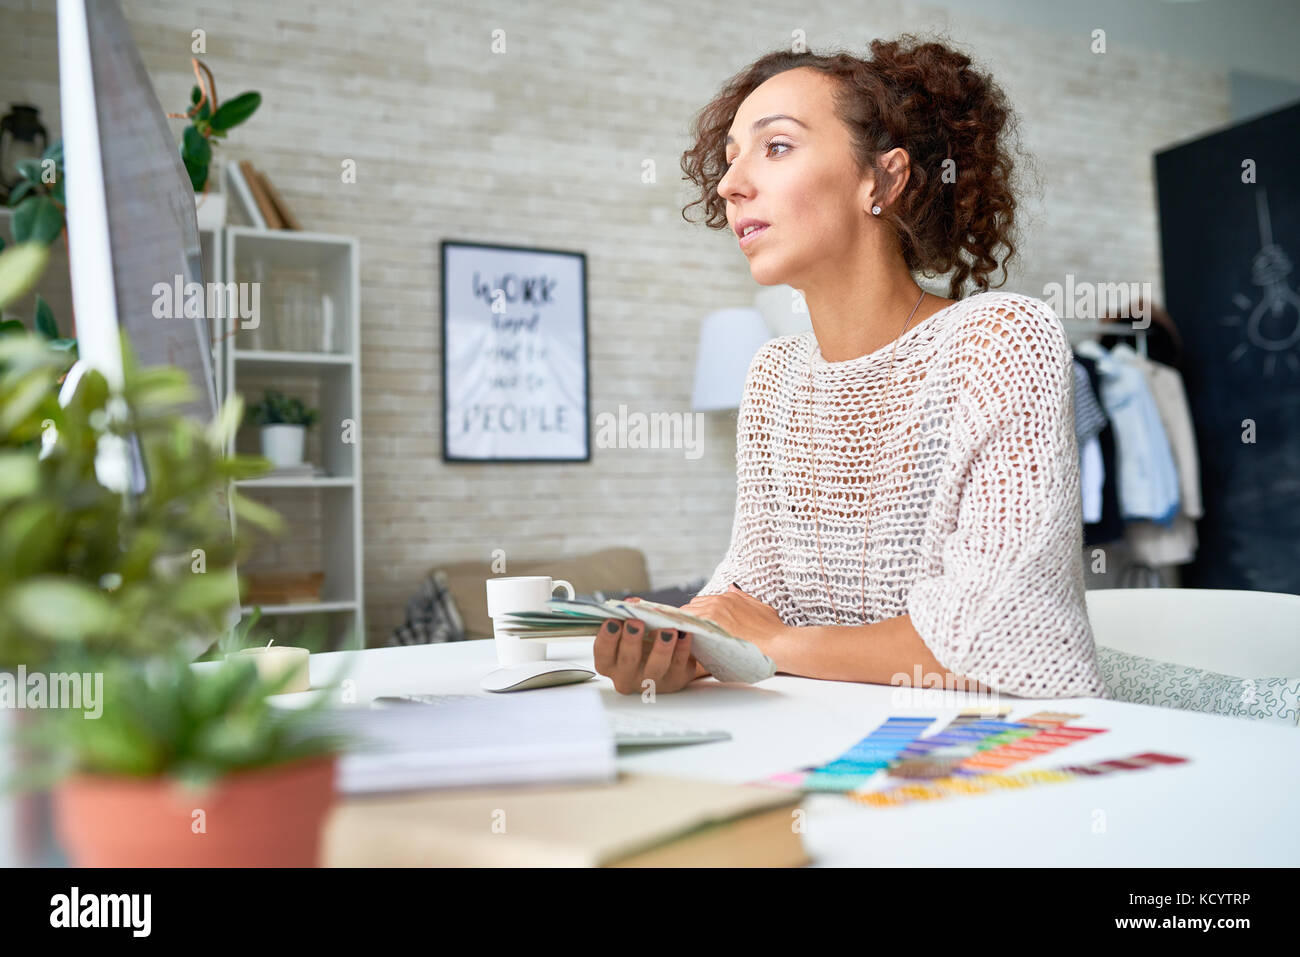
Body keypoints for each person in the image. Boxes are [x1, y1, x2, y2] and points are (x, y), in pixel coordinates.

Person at [594, 35, 1108, 700]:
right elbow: (752, 586)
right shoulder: (774, 375)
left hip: (1024, 761)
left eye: (775, 146)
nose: (729, 184)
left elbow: (1001, 635)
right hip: (849, 758)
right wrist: (679, 642)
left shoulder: (999, 341)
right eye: (729, 160)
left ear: (883, 179)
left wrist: (769, 643)